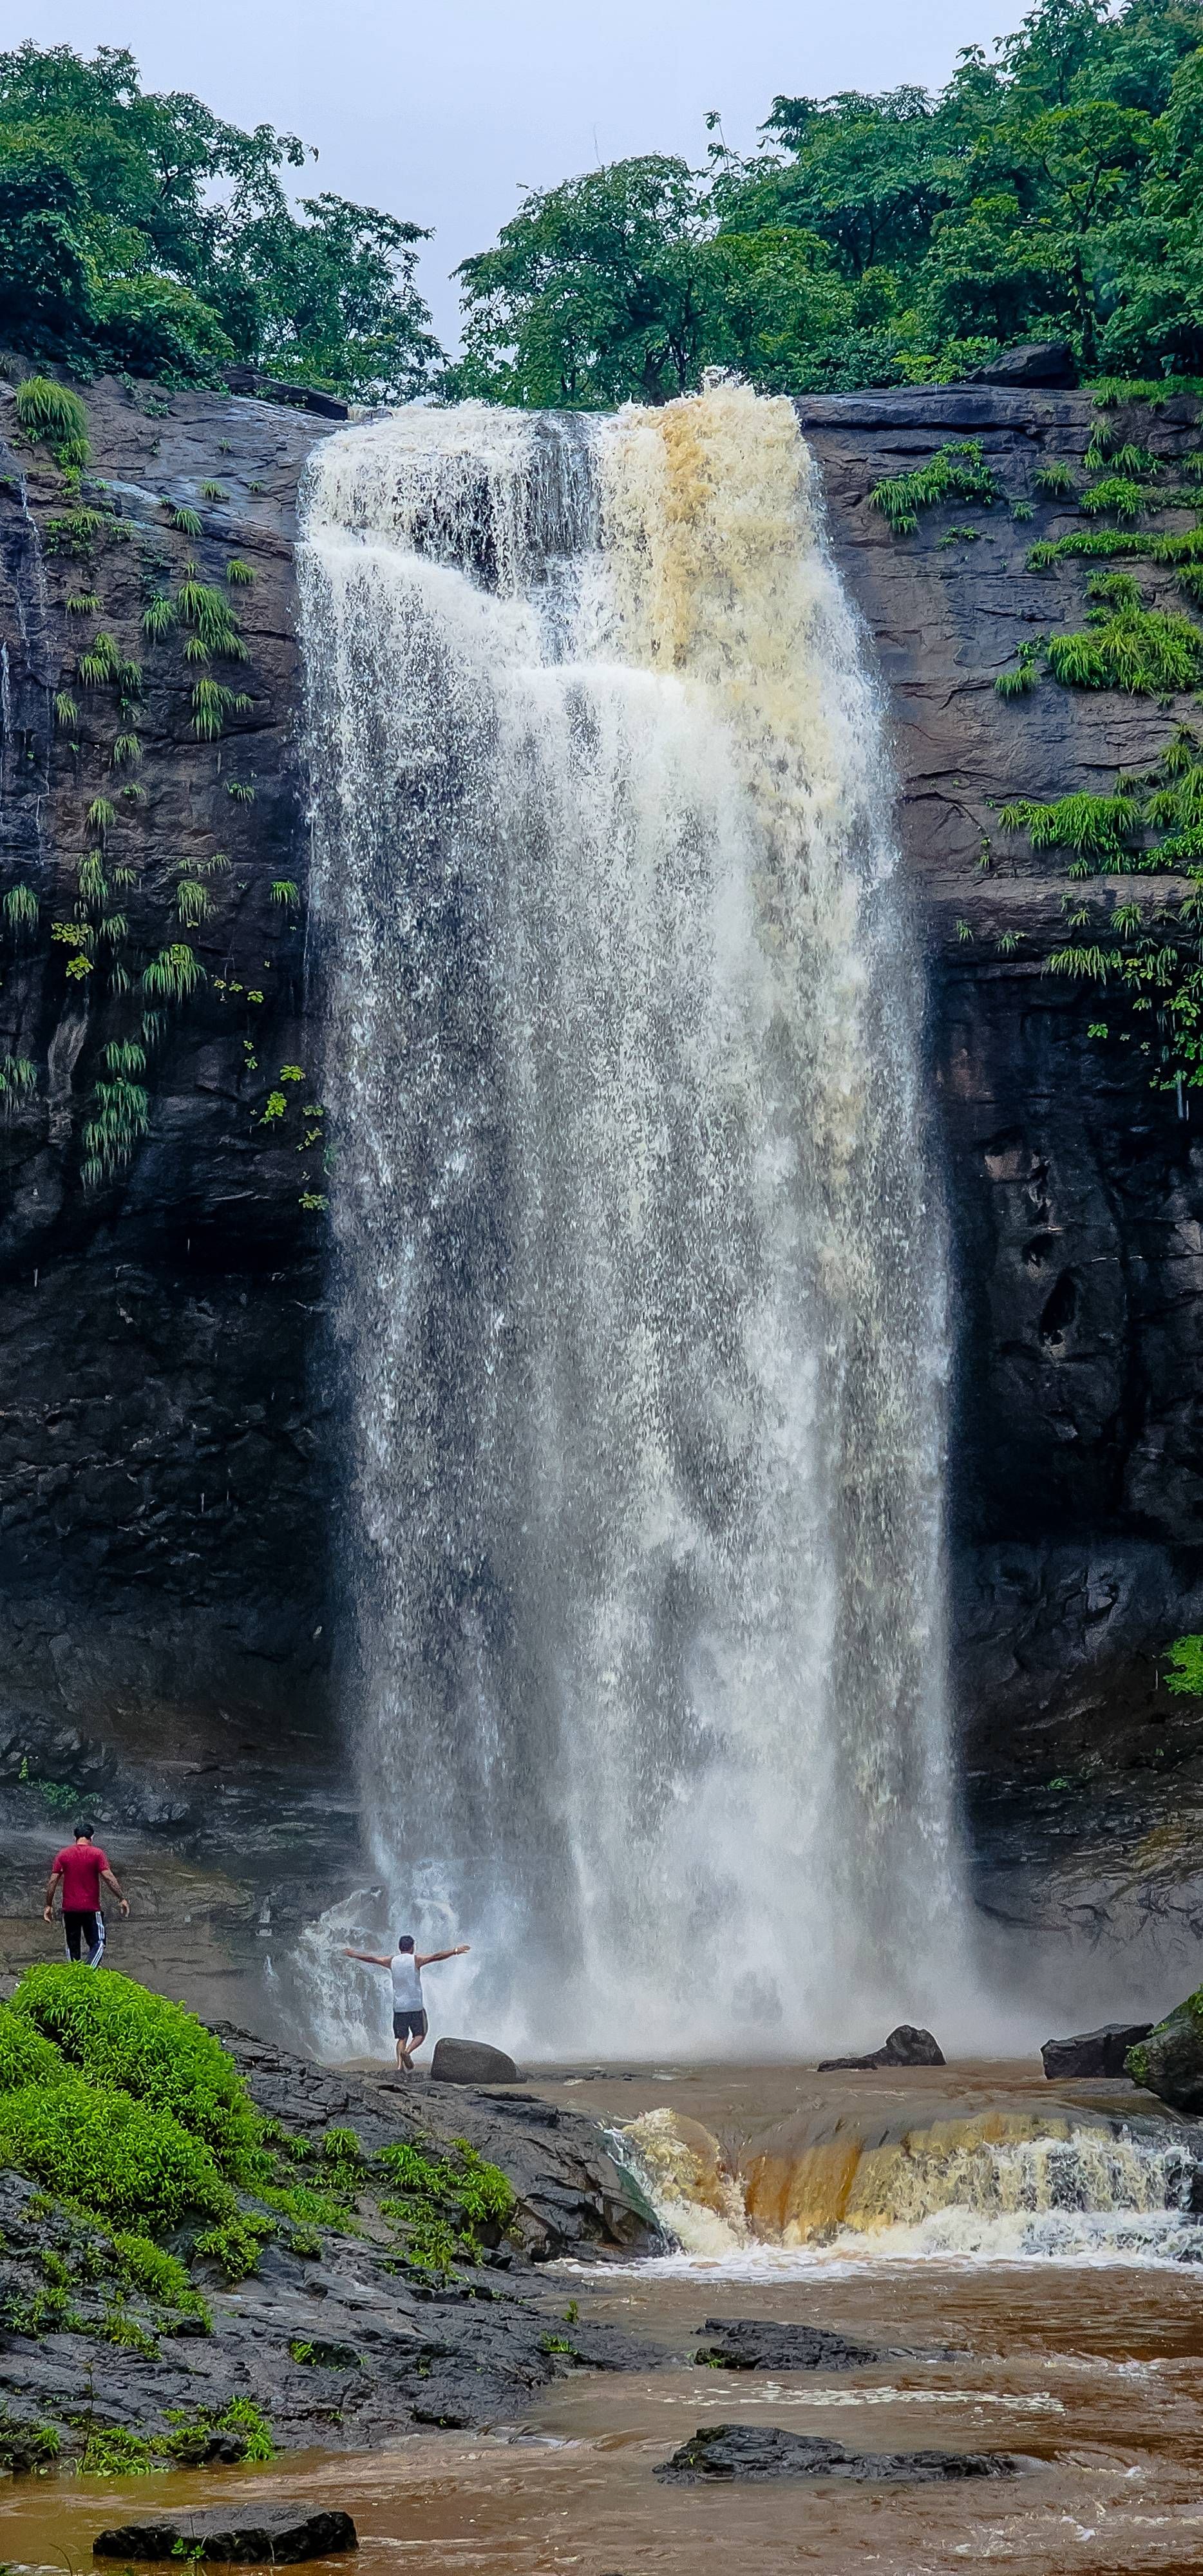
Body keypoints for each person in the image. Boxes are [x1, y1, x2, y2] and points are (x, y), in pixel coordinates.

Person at [342, 1931, 470, 2070]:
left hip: (399, 2008)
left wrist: (353, 1954)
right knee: (420, 2035)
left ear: (400, 1948)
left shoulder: (391, 1961)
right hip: (415, 2006)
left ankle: (399, 2067)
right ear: (412, 1948)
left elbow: (371, 1959)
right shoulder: (415, 1960)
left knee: (402, 2038)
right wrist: (455, 1951)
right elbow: (437, 1957)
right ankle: (407, 2052)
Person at [44, 1823, 128, 1966]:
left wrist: (49, 1904)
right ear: (92, 1837)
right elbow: (108, 1877)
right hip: (91, 1909)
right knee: (99, 1943)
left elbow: (53, 1881)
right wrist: (121, 1898)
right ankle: (89, 1972)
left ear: (75, 1838)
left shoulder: (63, 1854)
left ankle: (76, 1976)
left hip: (69, 1910)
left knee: (72, 1947)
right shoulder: (97, 1854)